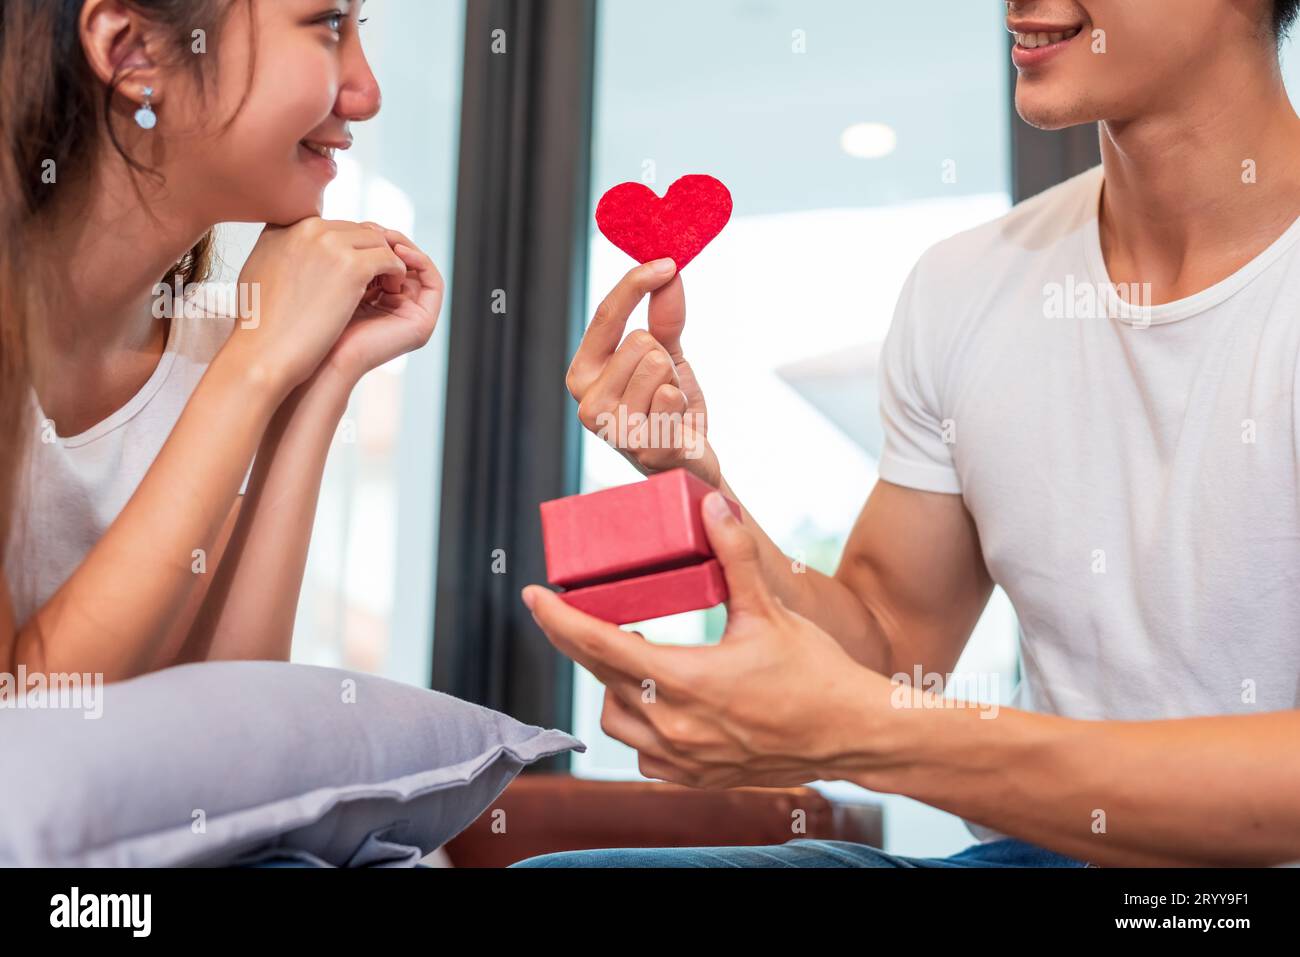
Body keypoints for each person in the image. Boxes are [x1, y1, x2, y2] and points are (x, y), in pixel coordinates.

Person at [515, 0, 1300, 867]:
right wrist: (696, 480)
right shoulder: (968, 284)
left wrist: (870, 732)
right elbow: (885, 646)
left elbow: (872, 707)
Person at [0, 0, 443, 682]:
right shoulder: (239, 364)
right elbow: (20, 720)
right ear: (130, 50)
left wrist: (317, 377)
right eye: (328, 25)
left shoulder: (224, 352)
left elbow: (230, 715)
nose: (368, 93)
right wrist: (254, 368)